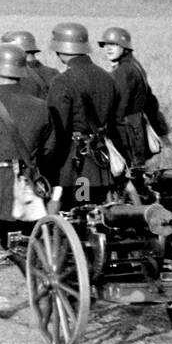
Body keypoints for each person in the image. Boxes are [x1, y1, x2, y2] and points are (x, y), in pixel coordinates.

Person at [0, 44, 56, 318]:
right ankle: (43, 290)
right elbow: (49, 149)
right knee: (21, 246)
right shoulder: (42, 107)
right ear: (21, 71)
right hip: (25, 189)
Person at [46, 22, 124, 208]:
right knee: (96, 209)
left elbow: (57, 128)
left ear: (61, 50)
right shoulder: (107, 77)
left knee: (80, 210)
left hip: (78, 167)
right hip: (102, 160)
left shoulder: (62, 81)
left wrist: (47, 160)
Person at [99, 27, 170, 174]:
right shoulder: (134, 65)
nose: (108, 48)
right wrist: (162, 131)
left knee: (127, 173)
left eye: (114, 44)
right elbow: (151, 101)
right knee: (136, 172)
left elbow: (119, 107)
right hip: (136, 128)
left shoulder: (124, 71)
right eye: (105, 45)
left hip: (126, 132)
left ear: (124, 47)